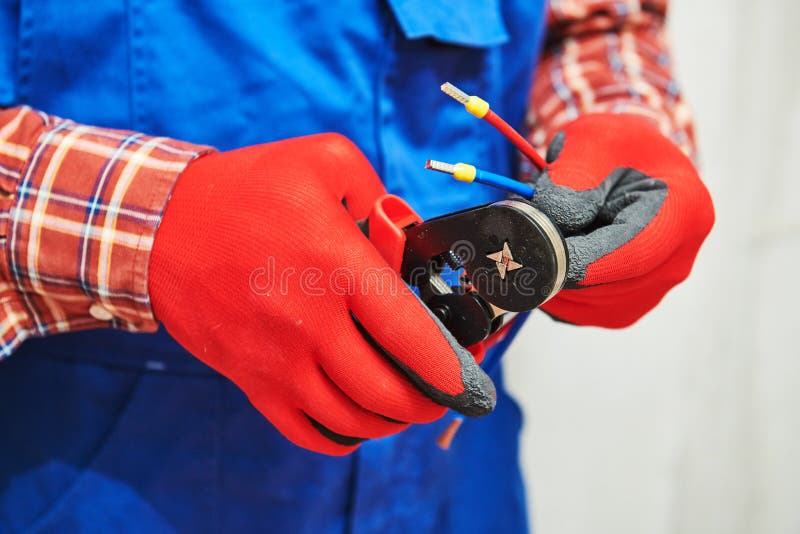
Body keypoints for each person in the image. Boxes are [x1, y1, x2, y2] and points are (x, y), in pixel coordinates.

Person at [0, 0, 713, 532]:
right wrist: (149, 225)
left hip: (457, 482)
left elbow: (594, 23)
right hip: (100, 482)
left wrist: (630, 119)